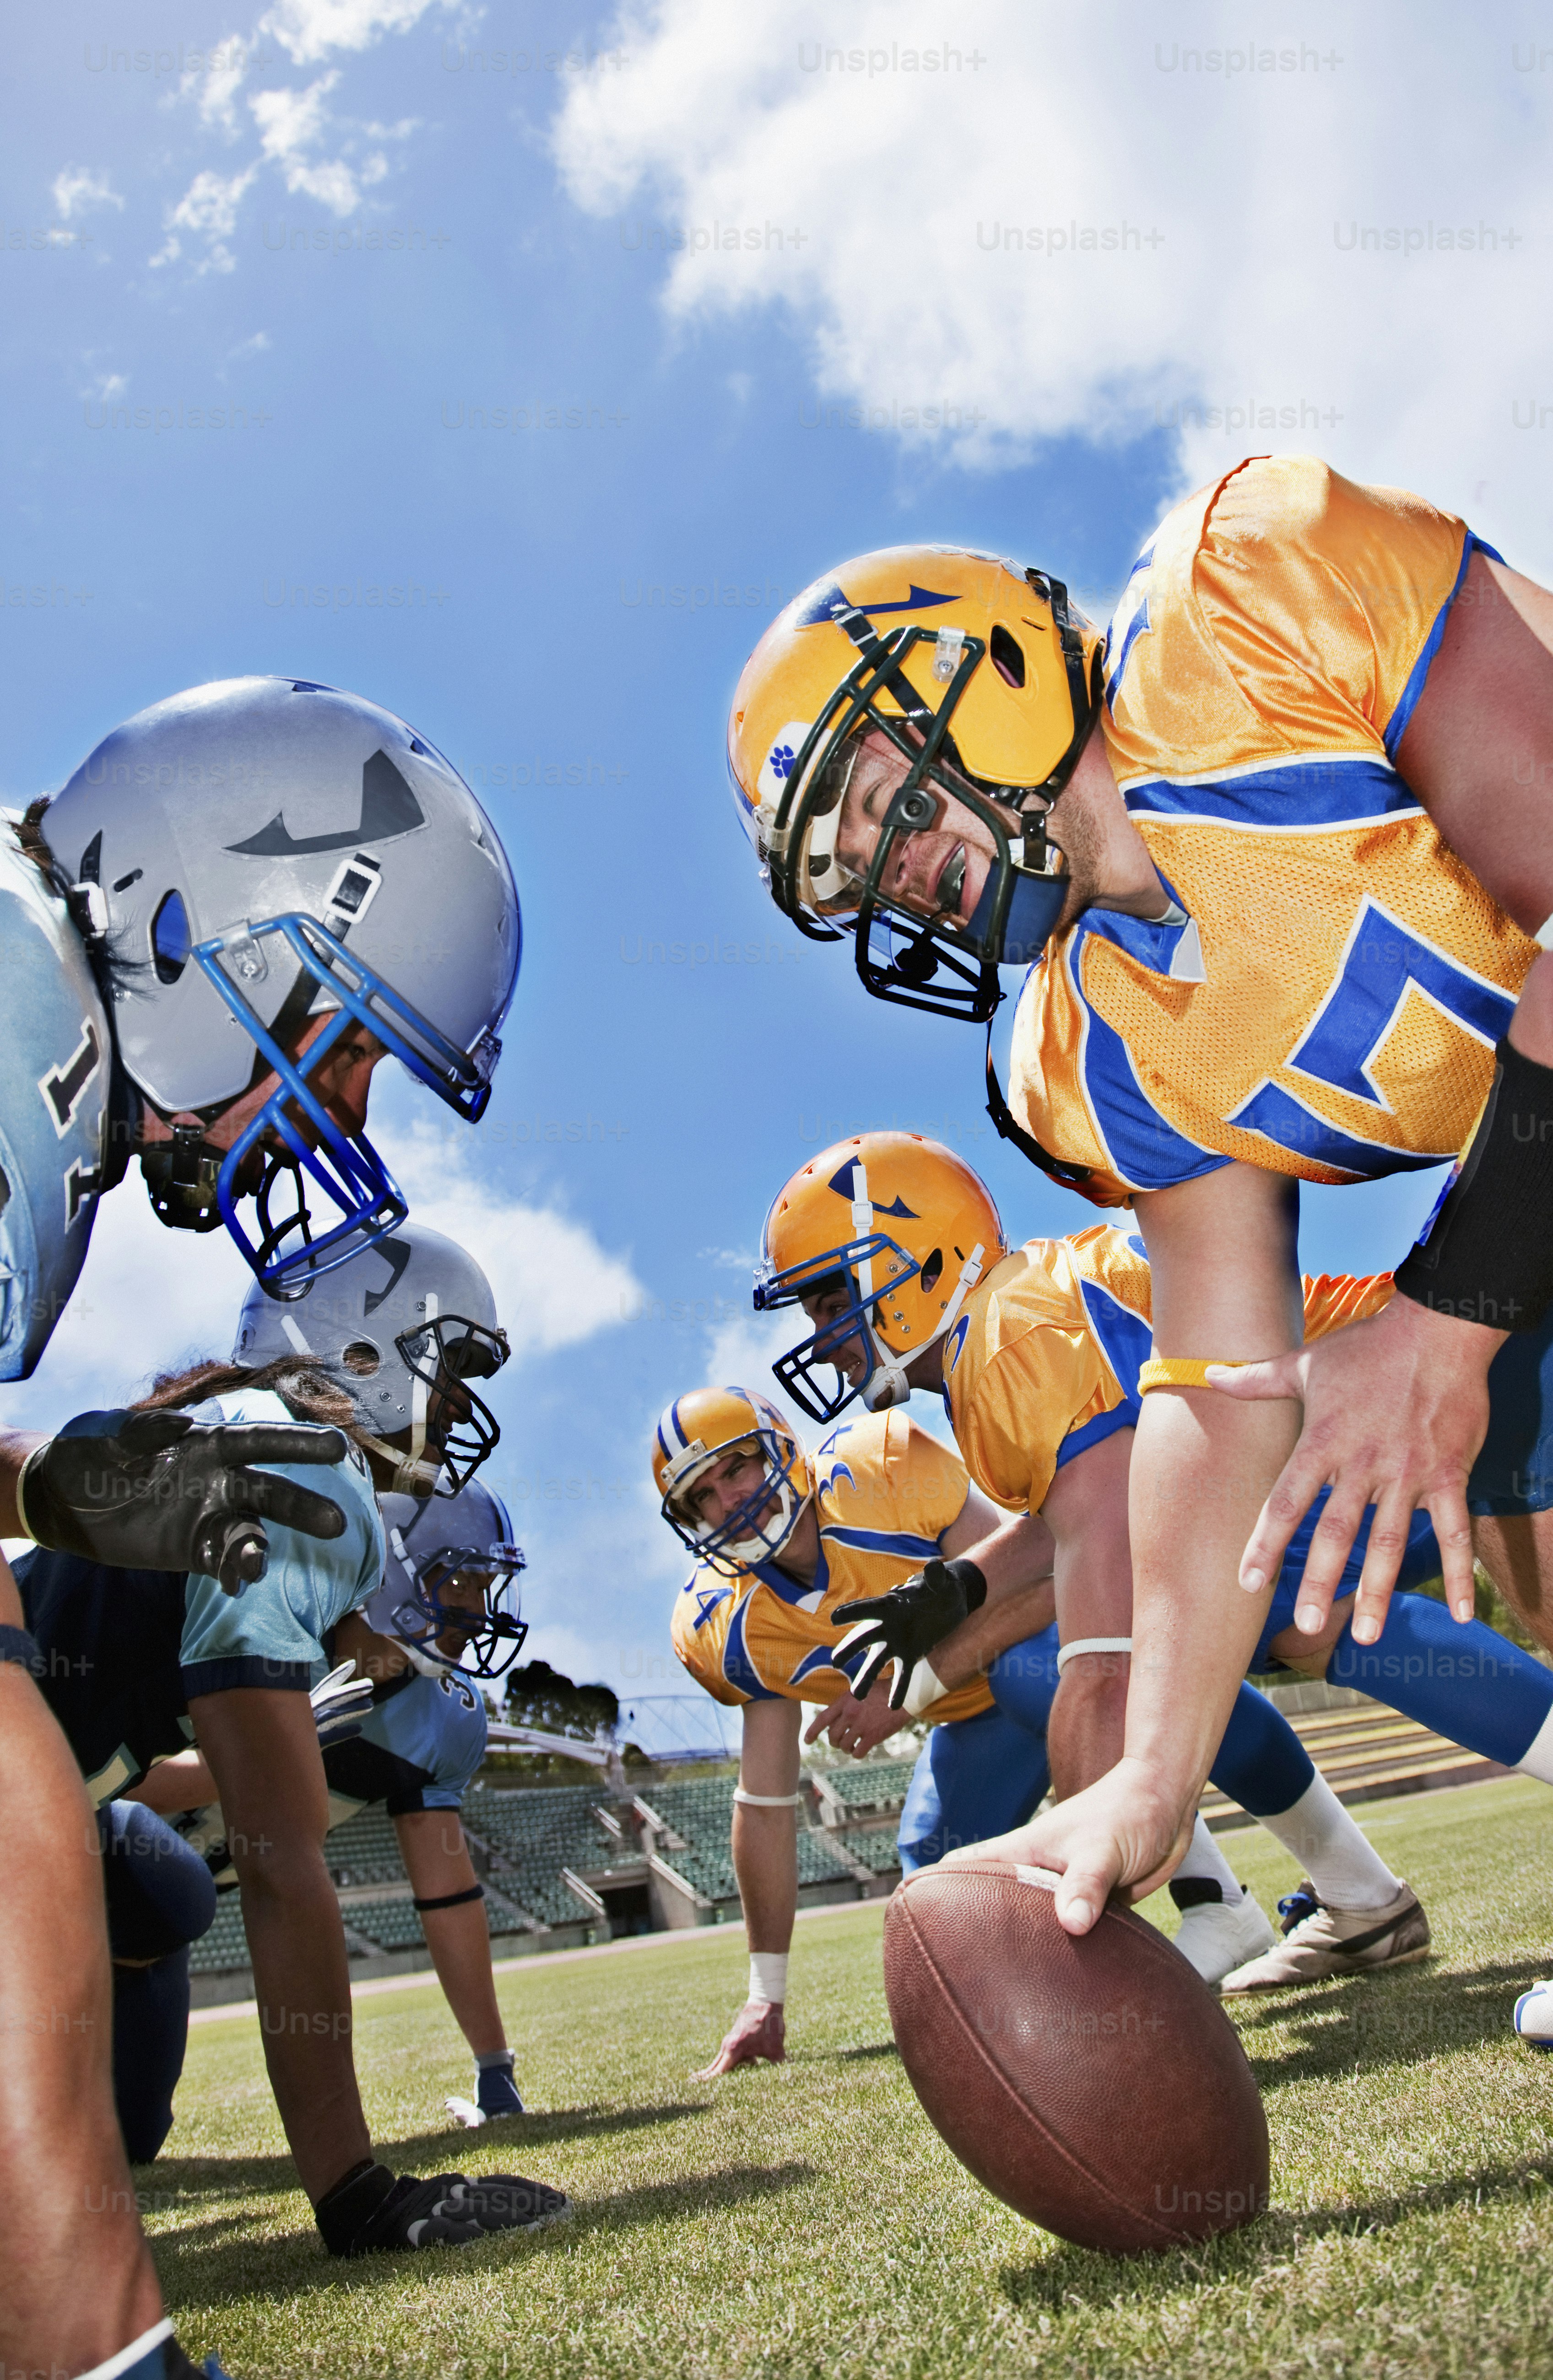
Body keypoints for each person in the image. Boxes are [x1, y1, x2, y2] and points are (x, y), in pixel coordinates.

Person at [726, 465, 1553, 1933]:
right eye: (855, 876)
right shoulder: (1090, 1042)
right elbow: (1218, 1387)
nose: (891, 878)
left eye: (873, 806)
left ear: (974, 674)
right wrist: (1152, 1774)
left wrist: (1451, 1313)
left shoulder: (1244, 596)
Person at [755, 1131, 1553, 1991]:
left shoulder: (1008, 1347)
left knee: (1265, 1594)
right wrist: (959, 1585)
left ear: (920, 1260)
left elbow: (1108, 1638)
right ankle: (1361, 1901)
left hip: (1456, 1385)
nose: (822, 1333)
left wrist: (1083, 1935)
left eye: (829, 1294)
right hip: (1425, 1394)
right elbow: (1103, 1507)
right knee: (1246, 1589)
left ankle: (1323, 1900)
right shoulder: (1008, 1328)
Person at [16, 1240, 567, 2263]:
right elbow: (278, 1858)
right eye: (446, 1373)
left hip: (49, 1791)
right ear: (362, 1352)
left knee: (160, 1902)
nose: (454, 1410)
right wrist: (354, 2191)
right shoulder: (304, 1471)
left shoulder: (251, 1431)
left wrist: (344, 1630)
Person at [655, 1383, 1059, 2072]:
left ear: (779, 1449)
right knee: (930, 1881)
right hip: (973, 1732)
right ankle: (1041, 2007)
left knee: (1040, 1677)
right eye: (704, 1495)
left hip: (1061, 1664)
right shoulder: (727, 1621)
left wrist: (908, 1691)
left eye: (736, 1467)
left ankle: (1220, 1897)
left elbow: (1050, 1578)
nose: (729, 1498)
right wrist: (765, 1996)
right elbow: (765, 1804)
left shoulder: (877, 1469)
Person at [146, 1481, 534, 2129]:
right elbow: (94, 1786)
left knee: (133, 2129)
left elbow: (447, 1897)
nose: (475, 1609)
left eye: (482, 1586)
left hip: (154, 1924)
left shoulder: (442, 1717)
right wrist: (261, 1753)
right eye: (458, 1582)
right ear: (390, 1577)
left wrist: (494, 2067)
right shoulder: (263, 1619)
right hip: (63, 1867)